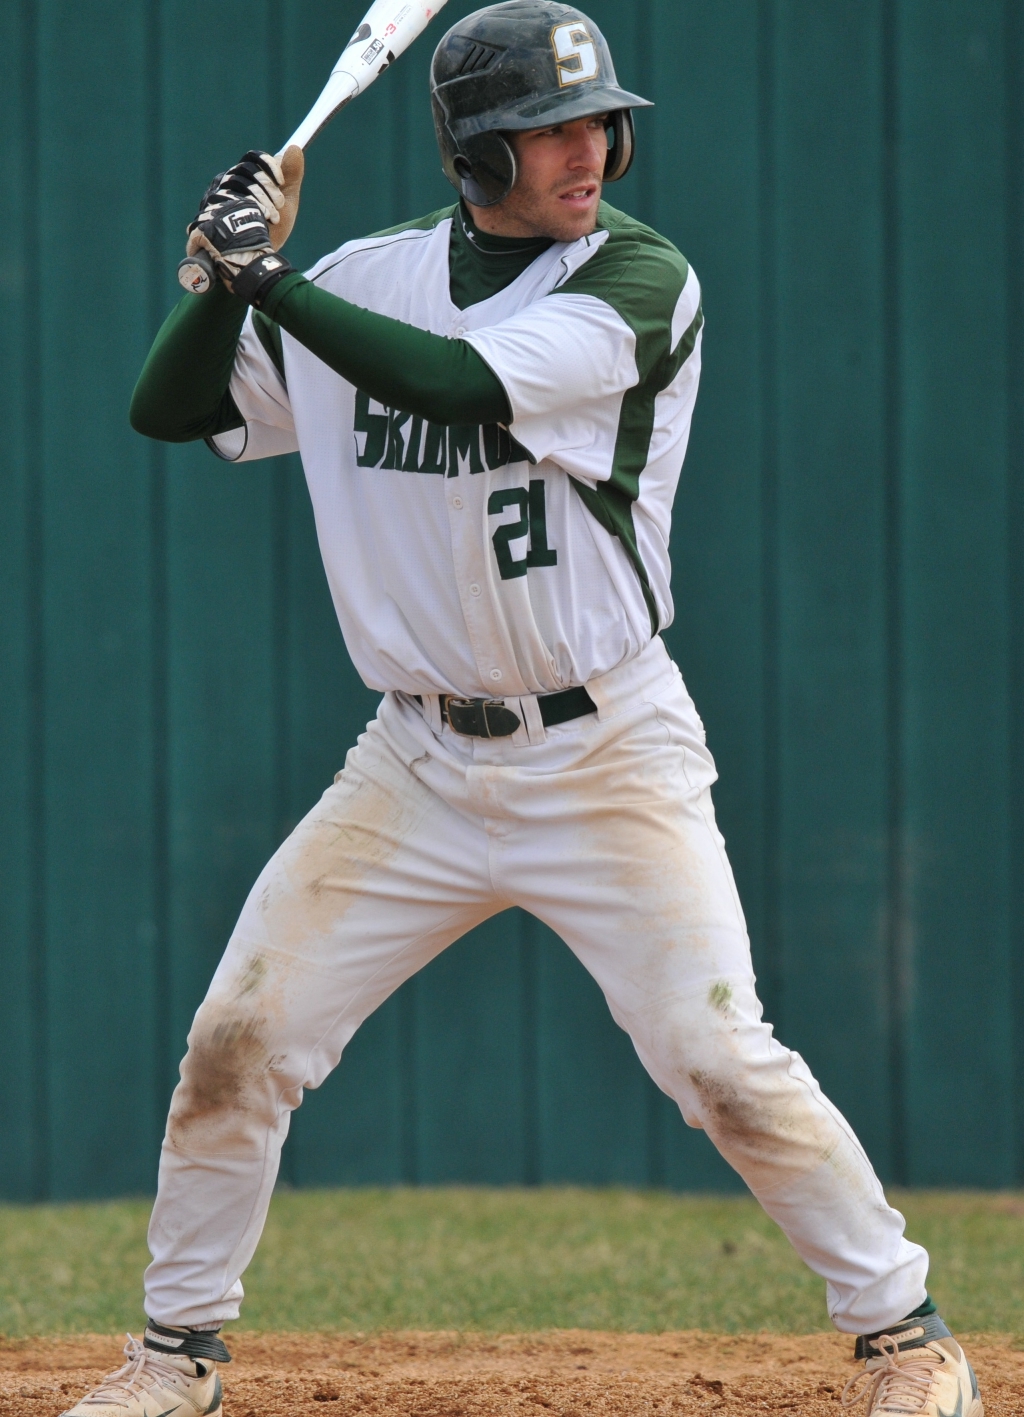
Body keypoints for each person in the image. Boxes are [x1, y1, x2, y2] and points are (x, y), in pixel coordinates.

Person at [63, 5, 982, 1416]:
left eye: (598, 122)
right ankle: (174, 1355)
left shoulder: (636, 280)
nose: (590, 152)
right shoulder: (370, 275)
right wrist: (216, 280)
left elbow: (457, 380)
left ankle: (910, 1337)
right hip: (413, 763)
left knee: (719, 1058)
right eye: (550, 129)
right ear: (473, 148)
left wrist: (272, 283)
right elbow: (165, 407)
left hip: (606, 751)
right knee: (235, 1041)